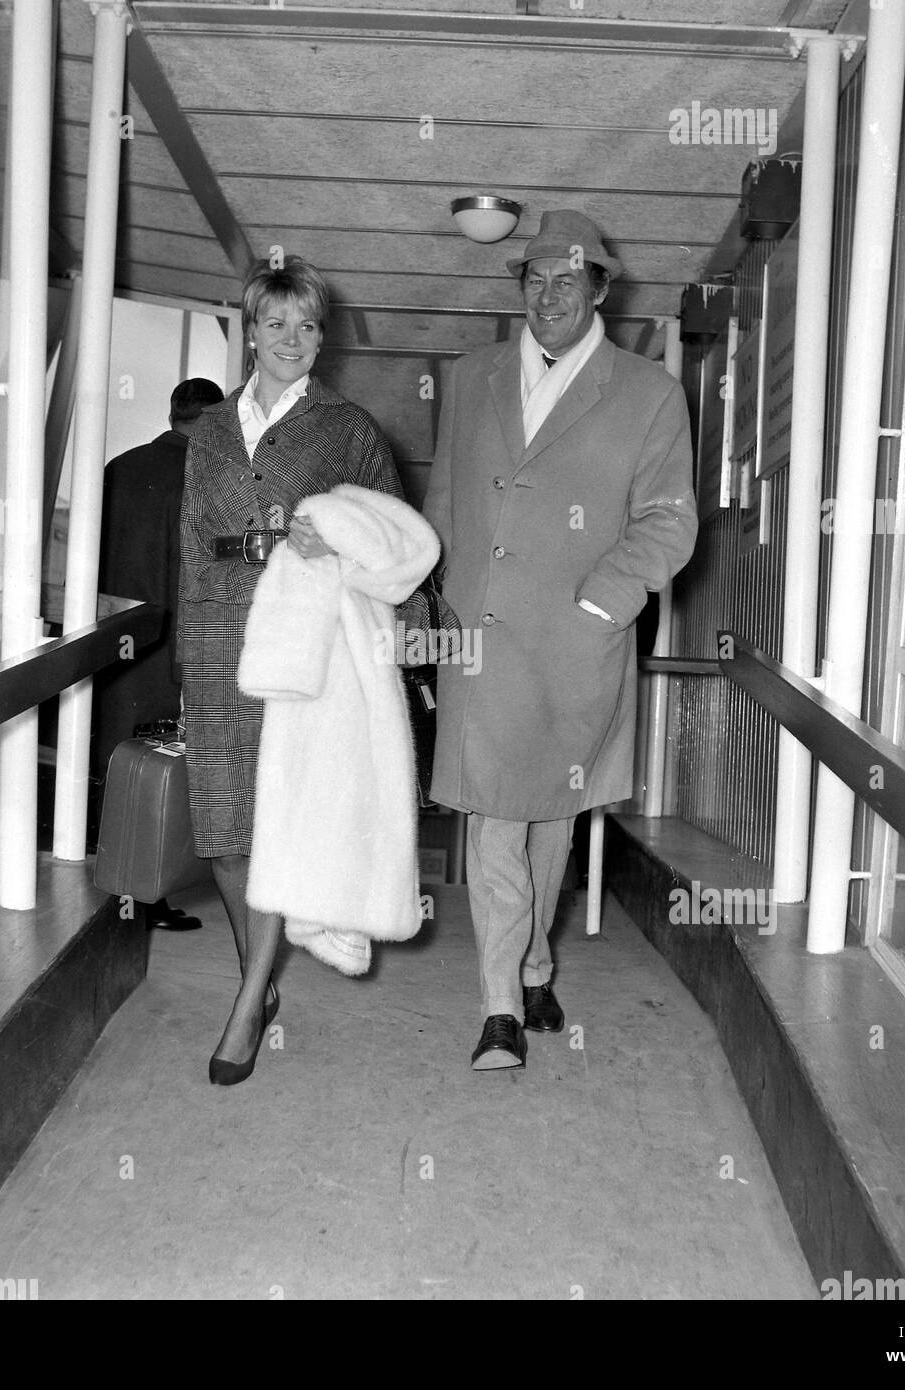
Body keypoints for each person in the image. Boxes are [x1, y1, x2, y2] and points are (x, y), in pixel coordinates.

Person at [423, 209, 698, 1071]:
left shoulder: (649, 392)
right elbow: (444, 504)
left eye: (568, 280)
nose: (550, 295)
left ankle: (536, 960)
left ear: (600, 290)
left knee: (552, 823)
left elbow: (668, 523)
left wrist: (599, 606)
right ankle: (501, 1005)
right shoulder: (470, 377)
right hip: (478, 643)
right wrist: (430, 610)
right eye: (536, 279)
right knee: (494, 819)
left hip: (577, 649)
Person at [179, 254, 406, 1086]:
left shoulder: (348, 429)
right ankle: (260, 978)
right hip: (213, 633)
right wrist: (183, 649)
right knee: (223, 832)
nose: (292, 339)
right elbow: (190, 546)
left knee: (278, 823)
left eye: (307, 326)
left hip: (301, 632)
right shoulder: (206, 433)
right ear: (250, 332)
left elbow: (396, 542)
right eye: (276, 323)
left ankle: (244, 1009)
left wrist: (336, 536)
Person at [94, 376, 224, 931]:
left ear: (173, 413)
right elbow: (199, 574)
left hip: (111, 645)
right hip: (171, 650)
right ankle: (146, 898)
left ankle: (106, 888)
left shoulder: (118, 469)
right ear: (212, 421)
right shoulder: (203, 478)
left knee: (111, 766)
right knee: (158, 774)